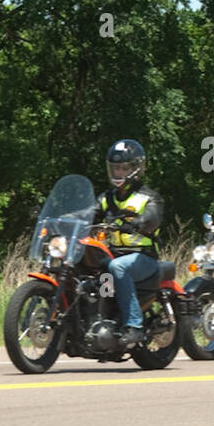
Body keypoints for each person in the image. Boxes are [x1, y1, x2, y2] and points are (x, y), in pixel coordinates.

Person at [96, 139, 164, 350]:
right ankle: (101, 318)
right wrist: (66, 219)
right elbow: (88, 213)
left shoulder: (149, 197)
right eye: (115, 168)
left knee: (117, 267)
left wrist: (139, 223)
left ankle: (134, 325)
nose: (118, 173)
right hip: (114, 253)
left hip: (143, 257)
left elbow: (153, 217)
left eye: (124, 168)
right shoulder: (107, 198)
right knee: (93, 266)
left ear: (136, 169)